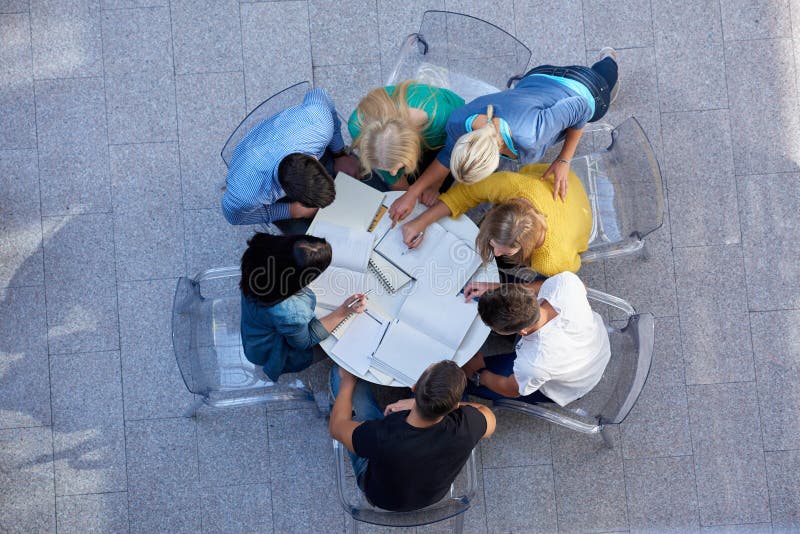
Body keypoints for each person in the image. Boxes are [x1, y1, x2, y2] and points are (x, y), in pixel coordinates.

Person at [389, 48, 619, 223]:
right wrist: (412, 193)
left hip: (586, 87)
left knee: (606, 74)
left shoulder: (531, 135)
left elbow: (581, 107)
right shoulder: (459, 120)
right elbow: (448, 154)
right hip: (537, 77)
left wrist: (563, 160)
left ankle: (609, 57)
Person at [329, 361, 496, 512]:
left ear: (414, 388)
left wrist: (348, 382)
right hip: (433, 495)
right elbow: (488, 415)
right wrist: (445, 404)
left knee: (340, 372)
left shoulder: (379, 435)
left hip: (381, 497)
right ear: (454, 408)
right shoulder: (466, 426)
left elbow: (336, 427)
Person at [400, 163, 592, 277]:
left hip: (576, 212)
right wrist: (421, 221)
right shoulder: (508, 184)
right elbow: (465, 193)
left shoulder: (551, 262)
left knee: (504, 264)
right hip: (561, 183)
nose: (497, 253)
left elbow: (568, 279)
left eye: (505, 250)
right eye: (494, 244)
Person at [462, 273, 610, 406]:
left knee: (464, 377)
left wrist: (480, 374)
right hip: (594, 343)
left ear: (522, 331)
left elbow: (511, 389)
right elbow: (579, 285)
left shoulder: (533, 364)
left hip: (578, 381)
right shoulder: (566, 283)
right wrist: (498, 288)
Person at [222, 87, 360, 226]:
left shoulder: (320, 124)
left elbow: (319, 94)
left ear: (314, 159)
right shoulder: (245, 195)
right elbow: (234, 217)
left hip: (287, 131)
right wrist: (292, 211)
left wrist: (339, 153)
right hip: (246, 162)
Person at [239, 233, 366, 381]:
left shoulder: (261, 253)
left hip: (255, 328)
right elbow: (306, 341)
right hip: (271, 350)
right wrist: (344, 310)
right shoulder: (290, 312)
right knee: (337, 344)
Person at [348, 81, 465, 190]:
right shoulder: (357, 126)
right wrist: (405, 190)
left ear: (414, 146)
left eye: (394, 169)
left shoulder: (441, 116)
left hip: (451, 137)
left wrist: (434, 186)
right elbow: (391, 173)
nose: (393, 173)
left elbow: (453, 150)